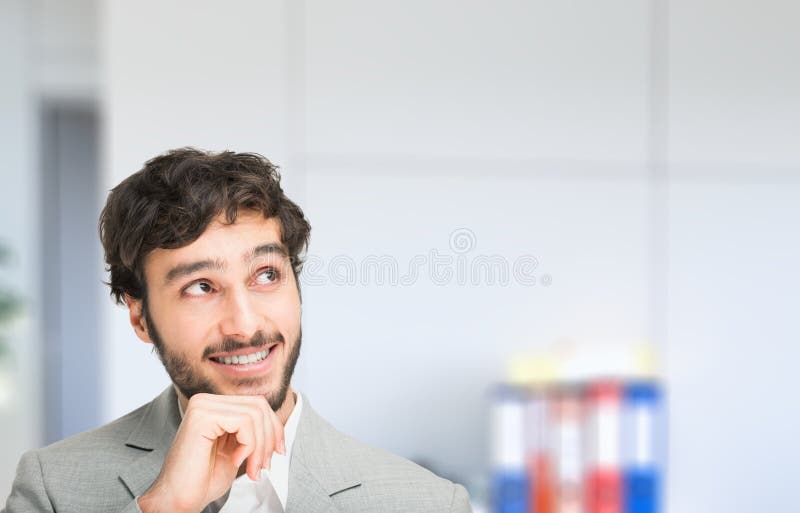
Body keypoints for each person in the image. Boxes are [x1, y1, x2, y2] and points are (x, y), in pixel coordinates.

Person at [2, 148, 472, 513]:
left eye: (266, 275)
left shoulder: (428, 502)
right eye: (201, 286)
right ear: (140, 318)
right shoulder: (52, 488)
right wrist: (164, 506)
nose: (246, 325)